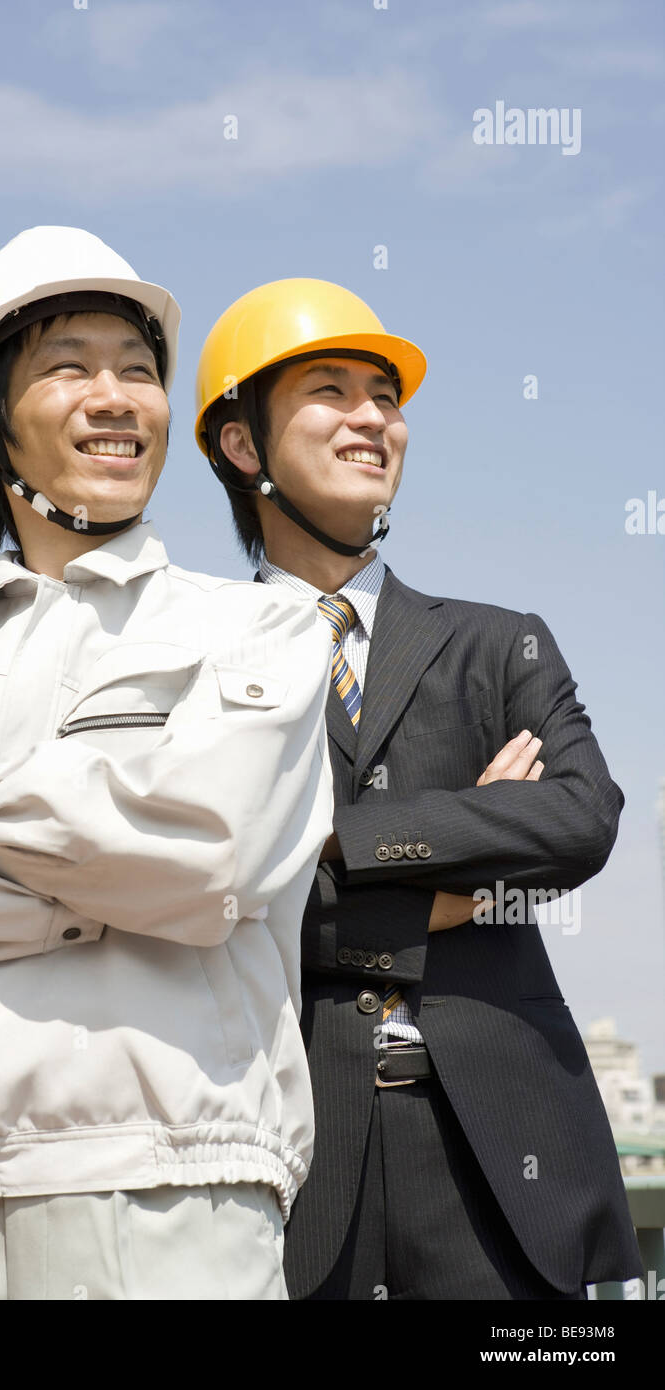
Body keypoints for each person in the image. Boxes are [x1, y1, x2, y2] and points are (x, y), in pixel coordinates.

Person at [0, 230, 335, 1301]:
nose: (115, 397)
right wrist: (99, 882)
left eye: (137, 371)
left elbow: (201, 860)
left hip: (165, 1202)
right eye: (68, 367)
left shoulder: (262, 632)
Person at [194, 276, 643, 1300]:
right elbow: (204, 902)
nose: (371, 418)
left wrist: (334, 842)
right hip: (286, 1162)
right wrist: (454, 876)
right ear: (242, 445)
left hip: (503, 1162)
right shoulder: (188, 664)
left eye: (384, 397)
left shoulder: (496, 643)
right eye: (330, 389)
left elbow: (578, 818)